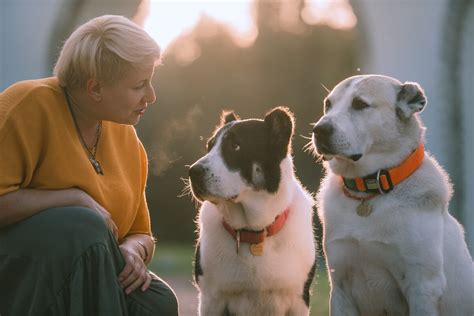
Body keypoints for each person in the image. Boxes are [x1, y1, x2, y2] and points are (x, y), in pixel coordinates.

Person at [0, 15, 179, 315]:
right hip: (18, 272)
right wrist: (74, 198)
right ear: (95, 88)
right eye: (139, 85)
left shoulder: (128, 141)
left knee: (156, 302)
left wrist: (132, 250)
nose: (151, 96)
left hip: (87, 267)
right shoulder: (26, 105)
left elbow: (141, 233)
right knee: (84, 229)